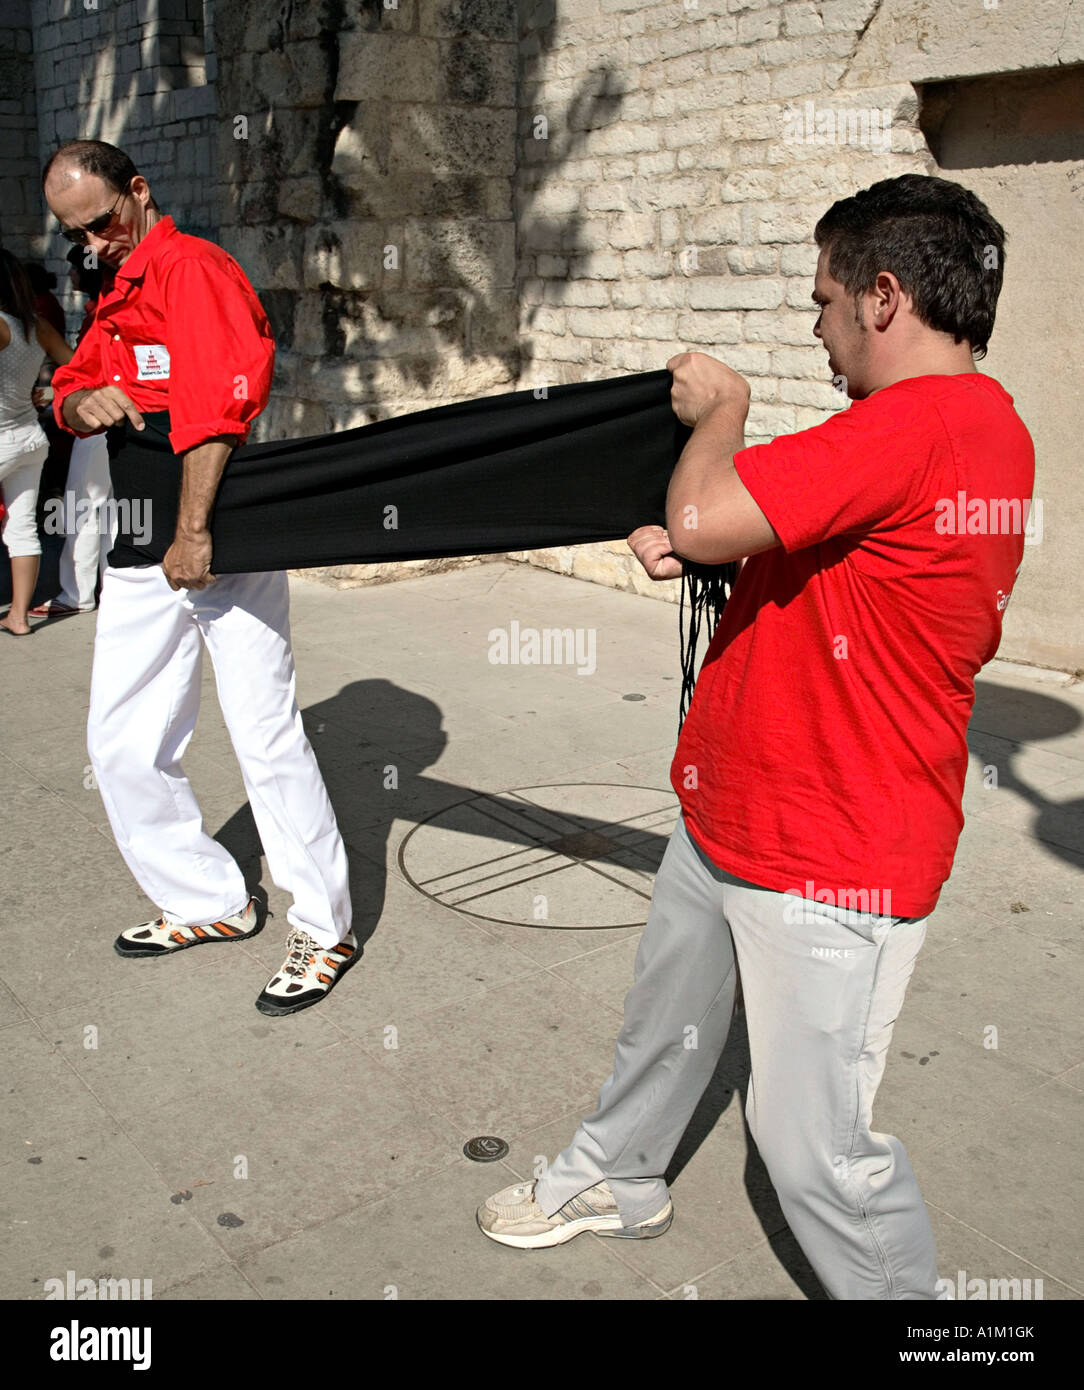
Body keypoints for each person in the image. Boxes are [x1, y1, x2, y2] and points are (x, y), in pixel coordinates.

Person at [477, 175, 1035, 1301]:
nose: (817, 327)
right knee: (664, 1028)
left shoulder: (918, 424)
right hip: (736, 806)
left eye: (823, 300)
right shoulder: (963, 426)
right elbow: (838, 552)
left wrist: (719, 419)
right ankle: (617, 1176)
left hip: (832, 849)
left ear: (883, 297)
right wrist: (724, 544)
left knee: (813, 1146)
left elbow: (704, 512)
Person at [44, 138, 356, 1015]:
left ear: (138, 191)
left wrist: (193, 535)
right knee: (121, 741)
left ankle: (325, 927)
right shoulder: (116, 283)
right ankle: (206, 899)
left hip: (218, 534)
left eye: (101, 223)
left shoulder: (193, 271)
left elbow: (219, 405)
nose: (92, 244)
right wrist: (76, 402)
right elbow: (68, 384)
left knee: (264, 734)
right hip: (140, 539)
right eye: (75, 234)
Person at [29, 246, 117, 617]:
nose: (70, 275)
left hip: (94, 420)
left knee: (83, 506)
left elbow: (87, 370)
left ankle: (75, 592)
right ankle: (113, 589)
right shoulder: (106, 310)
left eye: (75, 268)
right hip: (112, 419)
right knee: (110, 510)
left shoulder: (100, 316)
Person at [0, 248, 73, 636]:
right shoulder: (36, 325)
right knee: (23, 528)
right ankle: (19, 616)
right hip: (30, 437)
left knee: (22, 528)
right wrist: (44, 393)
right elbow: (75, 366)